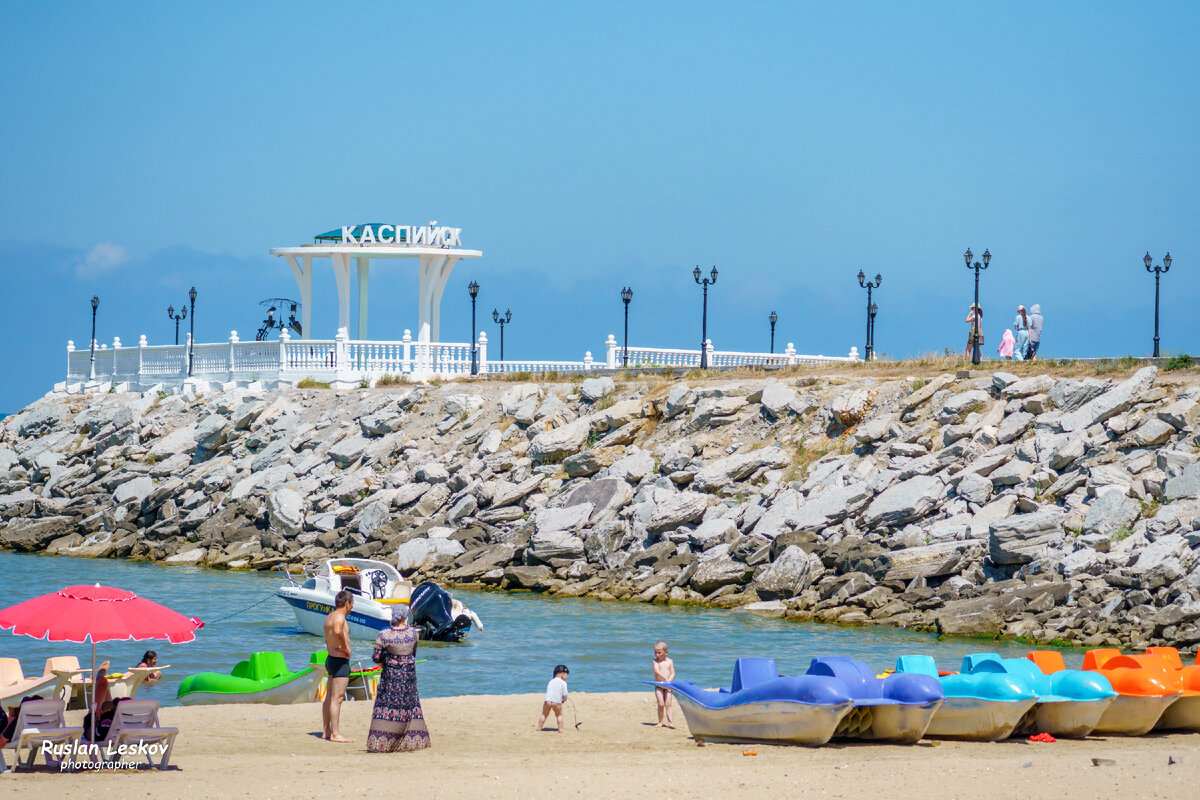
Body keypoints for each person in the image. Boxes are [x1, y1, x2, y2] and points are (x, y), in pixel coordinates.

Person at [366, 603, 430, 752]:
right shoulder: (413, 633)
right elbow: (413, 654)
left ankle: (385, 740)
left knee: (387, 706)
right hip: (408, 675)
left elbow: (376, 657)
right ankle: (411, 741)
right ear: (405, 616)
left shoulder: (385, 635)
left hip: (391, 675)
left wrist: (386, 662)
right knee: (409, 704)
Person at [322, 589, 354, 743]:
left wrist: (336, 648)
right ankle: (335, 733)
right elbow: (337, 631)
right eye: (352, 604)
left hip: (331, 659)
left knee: (329, 697)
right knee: (337, 698)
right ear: (347, 604)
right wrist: (345, 648)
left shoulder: (329, 616)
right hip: (340, 661)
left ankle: (326, 730)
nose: (352, 607)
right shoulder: (340, 617)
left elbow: (328, 639)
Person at [535, 665, 569, 732]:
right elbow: (565, 694)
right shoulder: (563, 683)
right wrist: (564, 699)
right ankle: (560, 729)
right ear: (562, 674)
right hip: (556, 702)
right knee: (559, 715)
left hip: (547, 700)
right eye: (566, 675)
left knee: (544, 714)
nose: (567, 677)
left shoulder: (551, 681)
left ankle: (539, 727)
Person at [652, 641, 675, 728]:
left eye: (659, 652)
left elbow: (673, 673)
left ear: (666, 652)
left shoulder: (670, 661)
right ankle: (660, 722)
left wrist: (668, 680)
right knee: (661, 704)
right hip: (659, 686)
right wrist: (663, 678)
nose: (657, 655)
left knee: (668, 704)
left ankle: (670, 722)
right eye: (655, 652)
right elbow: (657, 672)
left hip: (668, 686)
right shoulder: (655, 661)